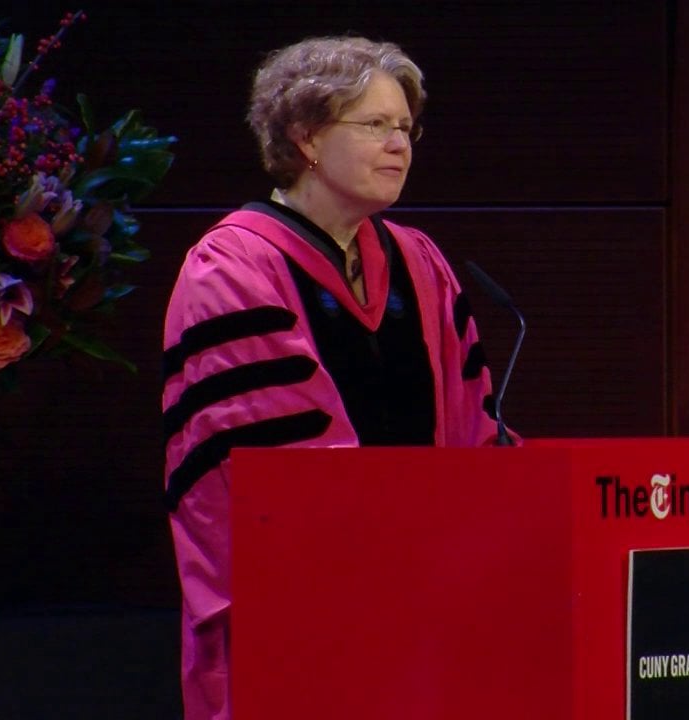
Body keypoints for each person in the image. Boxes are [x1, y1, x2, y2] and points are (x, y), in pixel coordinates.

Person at [160, 36, 503, 720]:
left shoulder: (419, 261)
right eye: (376, 125)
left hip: (427, 615)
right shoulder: (231, 267)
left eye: (406, 128)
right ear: (306, 137)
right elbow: (284, 473)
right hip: (296, 617)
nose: (399, 144)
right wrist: (405, 558)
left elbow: (472, 434)